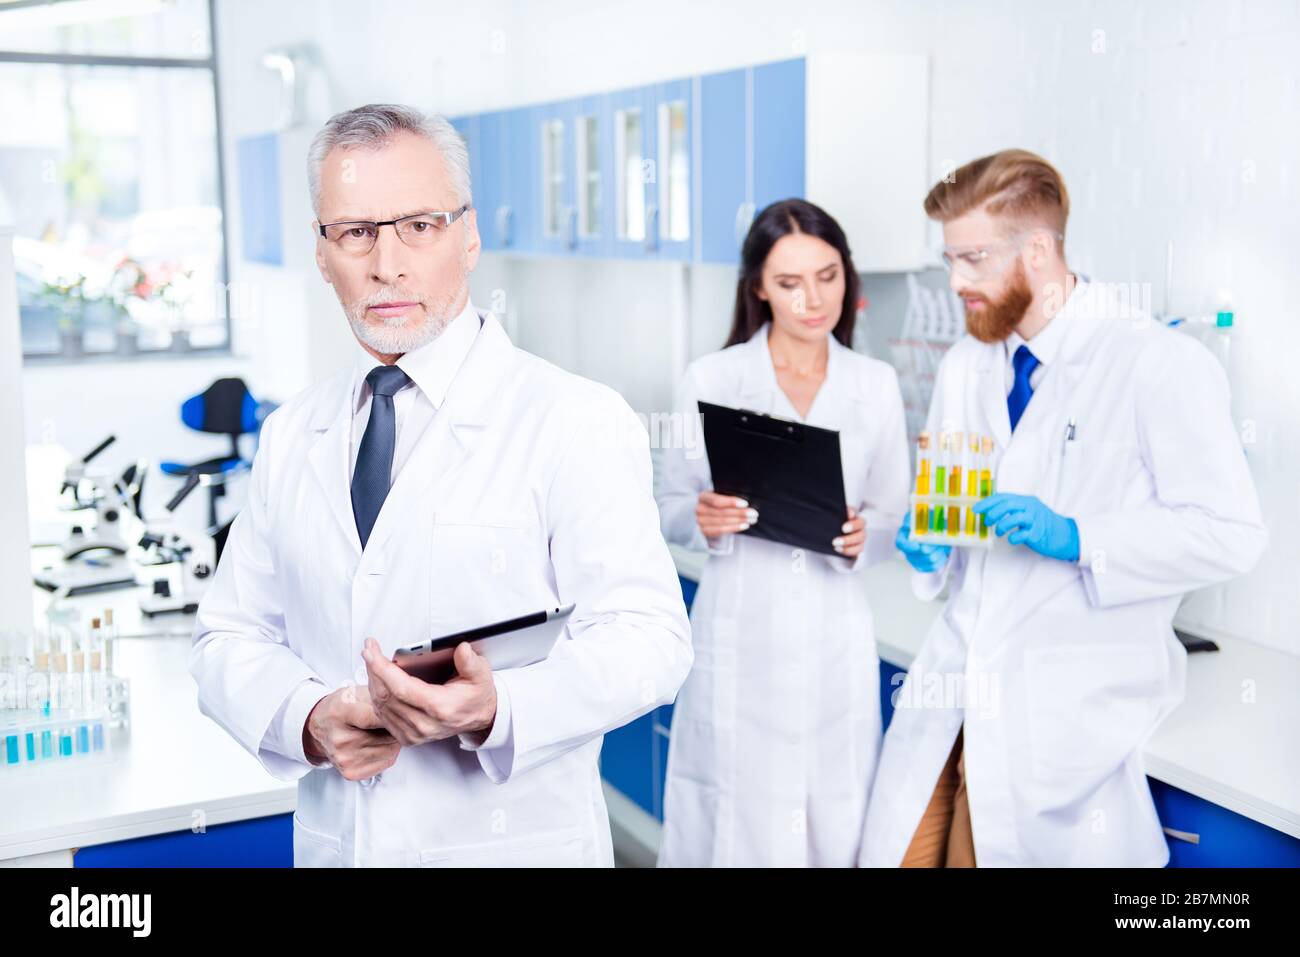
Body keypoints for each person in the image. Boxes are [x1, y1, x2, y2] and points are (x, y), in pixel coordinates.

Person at [189, 104, 692, 867]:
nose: (387, 263)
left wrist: (500, 707)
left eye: (419, 225)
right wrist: (311, 715)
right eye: (356, 232)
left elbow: (650, 637)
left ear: (470, 235)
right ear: (323, 253)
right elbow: (227, 636)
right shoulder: (294, 432)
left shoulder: (574, 418)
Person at [861, 149, 1267, 867]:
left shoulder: (1155, 364)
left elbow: (1231, 535)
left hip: (1060, 714)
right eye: (950, 259)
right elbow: (950, 529)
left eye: (973, 260)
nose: (955, 282)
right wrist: (931, 546)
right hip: (952, 688)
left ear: (1040, 250)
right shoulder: (966, 365)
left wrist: (1081, 537)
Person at [657, 199, 911, 867]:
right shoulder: (714, 379)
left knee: (834, 811)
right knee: (735, 820)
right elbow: (668, 505)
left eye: (828, 276)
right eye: (790, 283)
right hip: (741, 631)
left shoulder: (875, 385)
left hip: (835, 636)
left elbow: (892, 516)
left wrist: (867, 536)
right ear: (759, 287)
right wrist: (702, 517)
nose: (812, 299)